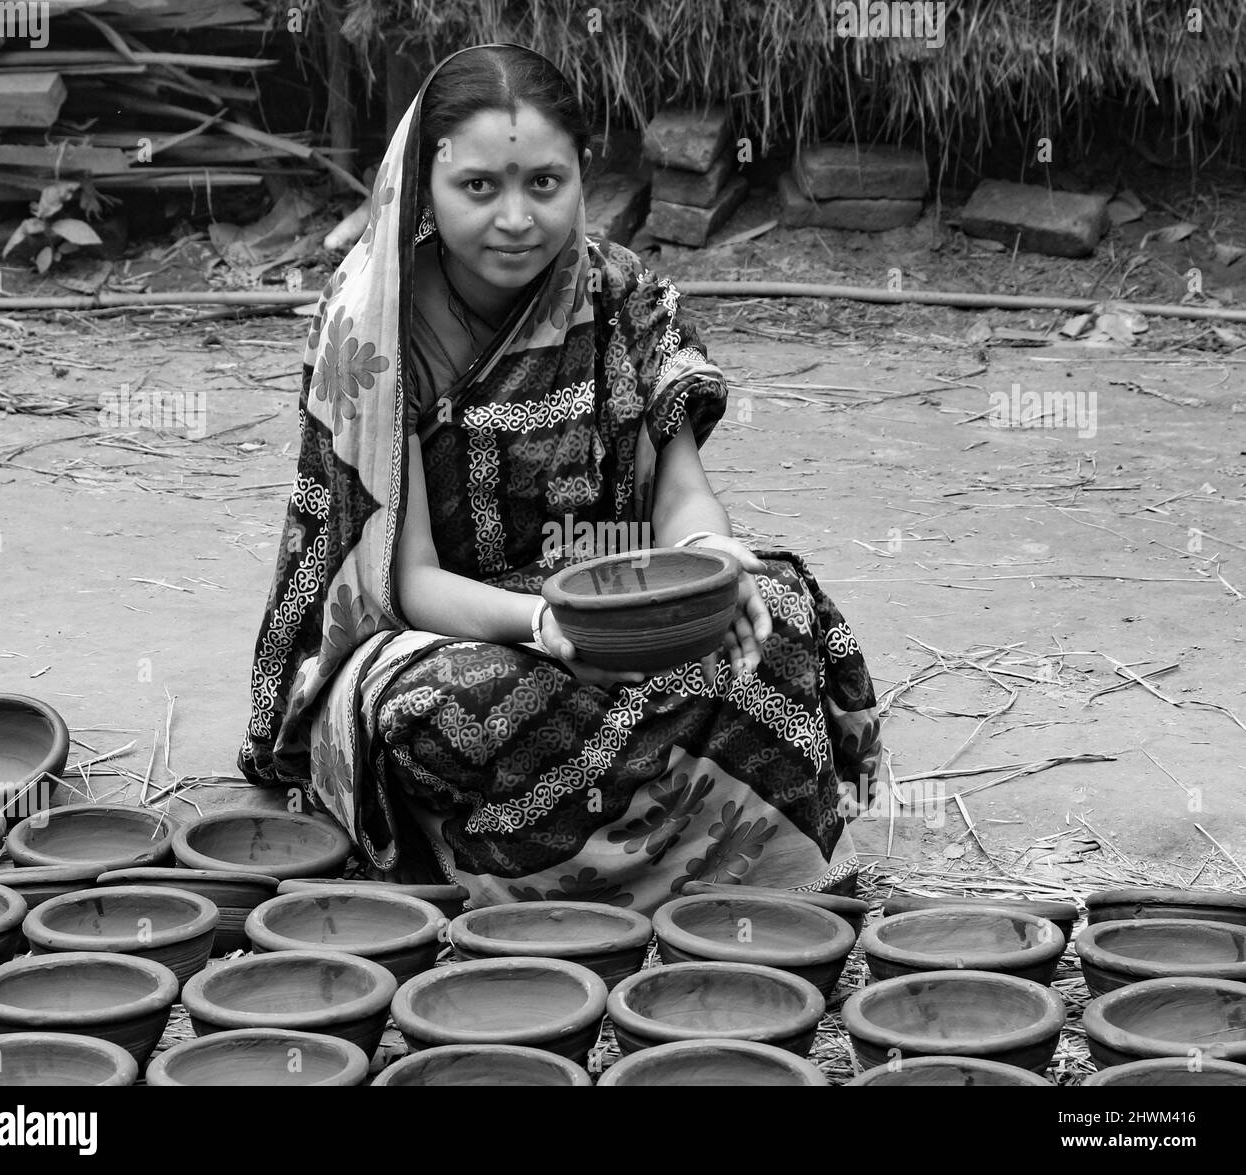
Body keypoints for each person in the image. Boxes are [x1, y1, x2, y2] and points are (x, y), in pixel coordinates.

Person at [237, 42, 883, 913]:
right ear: (420, 184)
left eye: (544, 183)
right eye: (479, 188)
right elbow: (408, 580)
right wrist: (544, 621)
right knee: (450, 709)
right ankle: (529, 899)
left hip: (613, 602)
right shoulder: (371, 328)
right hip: (448, 631)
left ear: (582, 174)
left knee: (778, 616)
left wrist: (706, 559)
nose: (515, 219)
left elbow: (678, 491)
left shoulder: (621, 292)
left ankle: (754, 888)